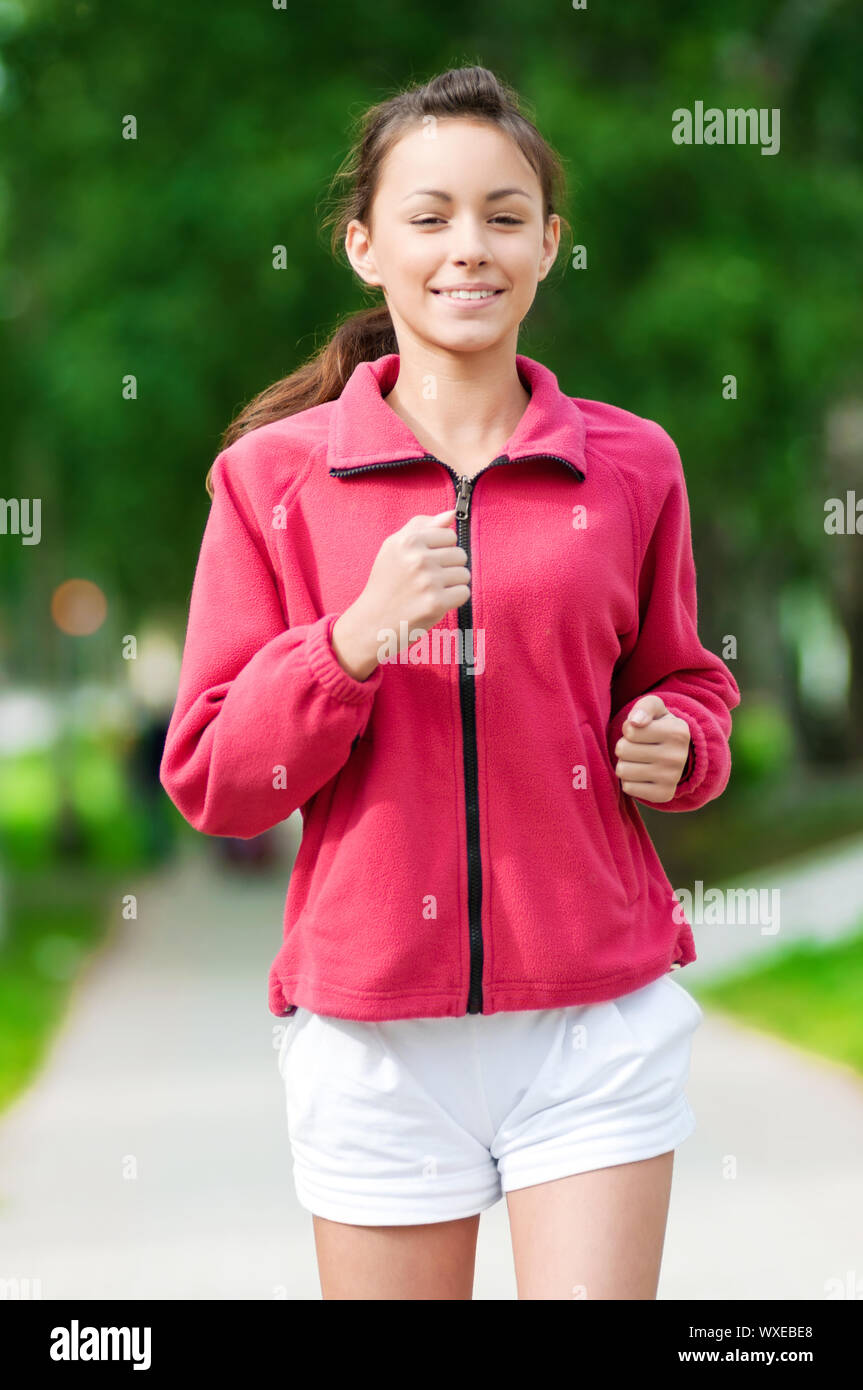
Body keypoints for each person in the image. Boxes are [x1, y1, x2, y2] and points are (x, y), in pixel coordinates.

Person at [159, 65, 741, 1300]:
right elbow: (215, 779)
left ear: (547, 247)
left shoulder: (630, 465)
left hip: (593, 1016)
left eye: (503, 214)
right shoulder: (271, 479)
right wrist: (349, 641)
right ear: (364, 247)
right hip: (372, 1033)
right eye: (427, 217)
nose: (466, 248)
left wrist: (680, 742)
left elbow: (687, 683)